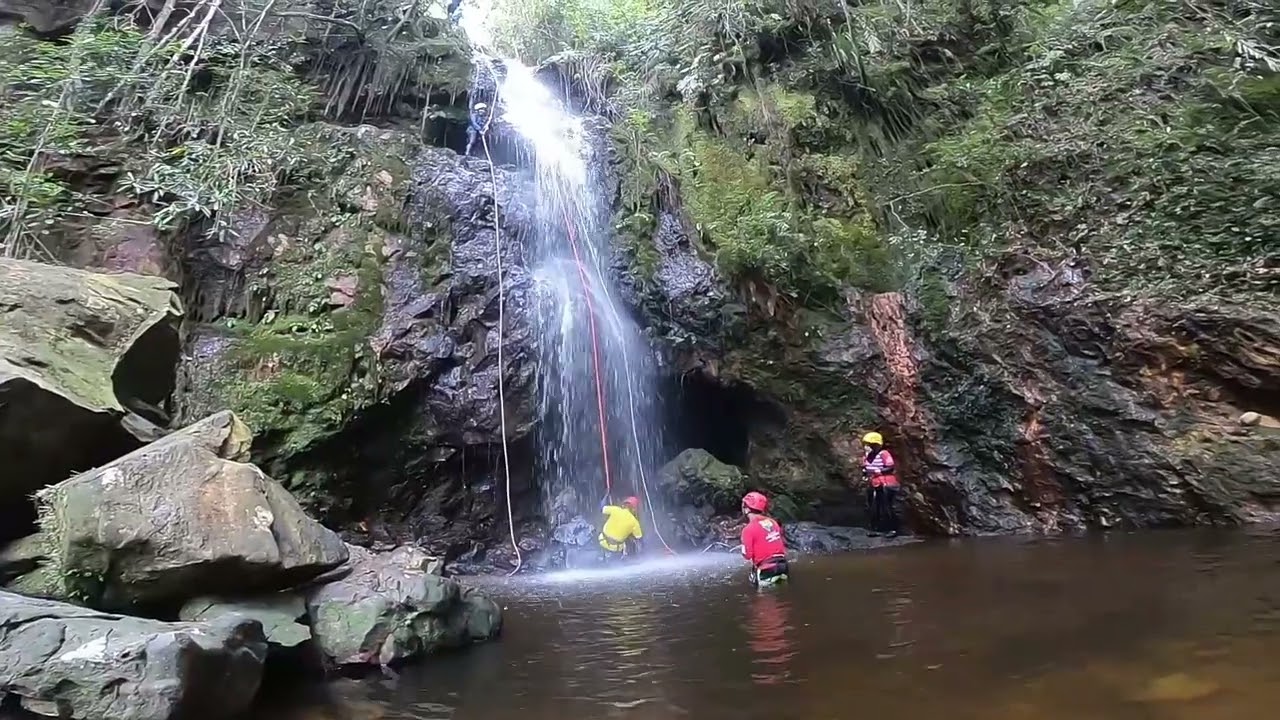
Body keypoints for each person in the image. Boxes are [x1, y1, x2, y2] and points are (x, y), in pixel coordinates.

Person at [740, 491, 789, 588]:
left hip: (766, 569)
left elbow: (747, 555)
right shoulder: (773, 522)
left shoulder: (748, 529)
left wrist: (743, 546)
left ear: (746, 508)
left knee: (764, 600)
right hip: (783, 566)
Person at [861, 431, 900, 535]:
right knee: (874, 506)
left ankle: (892, 529)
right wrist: (865, 474)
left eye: (870, 444)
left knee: (887, 505)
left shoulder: (884, 454)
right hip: (874, 483)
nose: (867, 447)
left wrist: (880, 471)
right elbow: (865, 468)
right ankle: (876, 528)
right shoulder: (867, 456)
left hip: (886, 483)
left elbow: (890, 467)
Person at [599, 496, 644, 562]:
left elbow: (601, 508)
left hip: (602, 542)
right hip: (615, 549)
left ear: (624, 505)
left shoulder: (615, 510)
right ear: (634, 509)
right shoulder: (635, 523)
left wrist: (606, 495)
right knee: (629, 540)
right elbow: (639, 540)